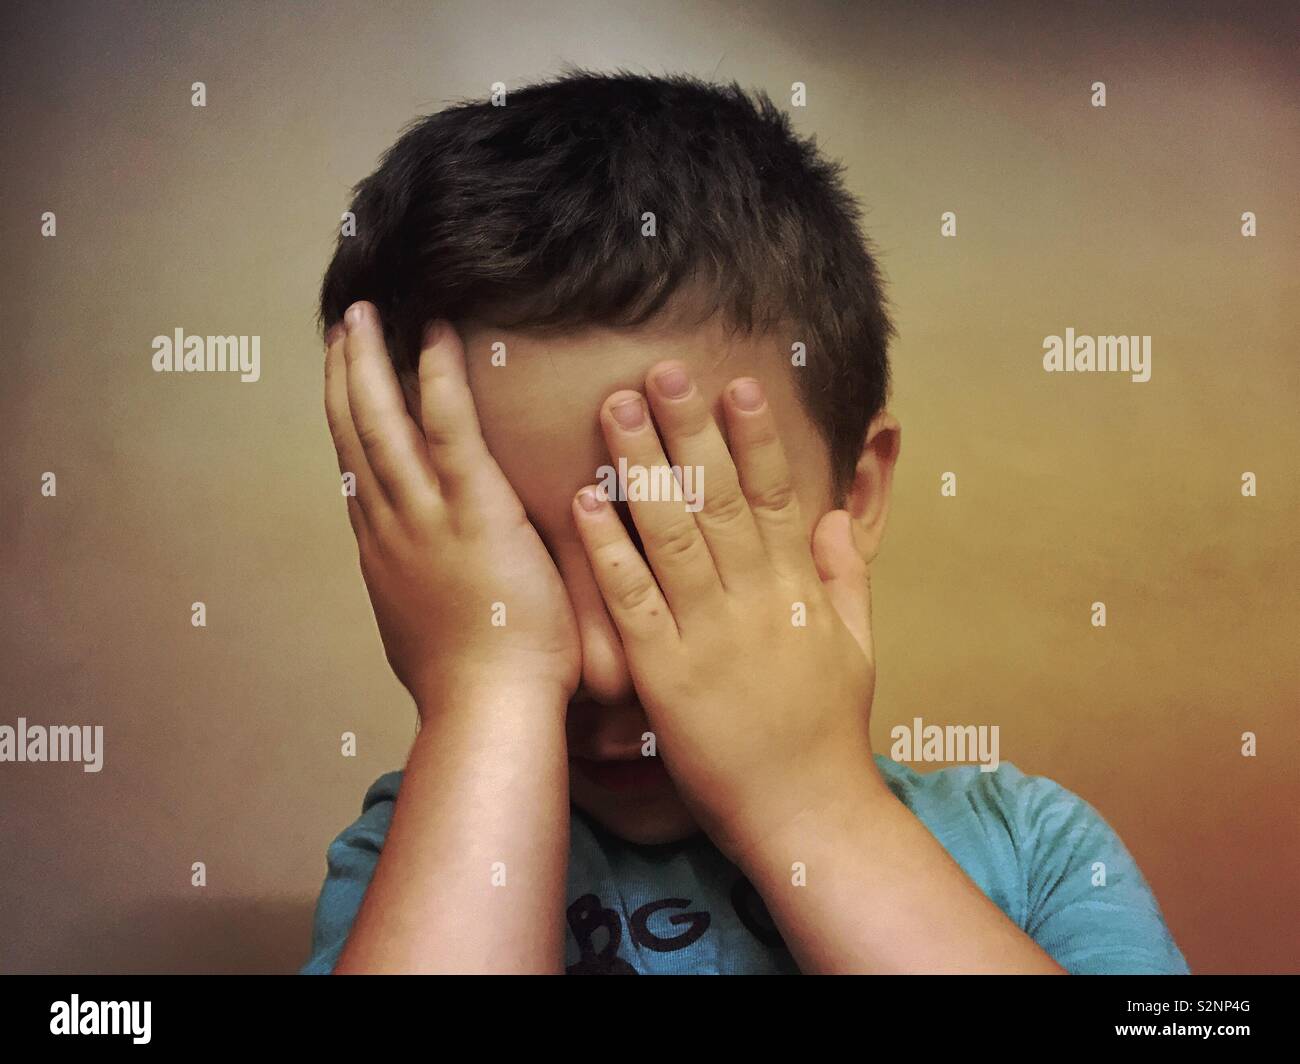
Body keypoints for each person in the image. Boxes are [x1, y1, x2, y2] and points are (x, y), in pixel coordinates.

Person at [301, 71, 1188, 974]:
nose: (603, 668)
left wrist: (806, 802)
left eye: (665, 546)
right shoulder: (414, 856)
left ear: (858, 496)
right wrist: (491, 686)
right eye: (511, 567)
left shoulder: (1031, 847)